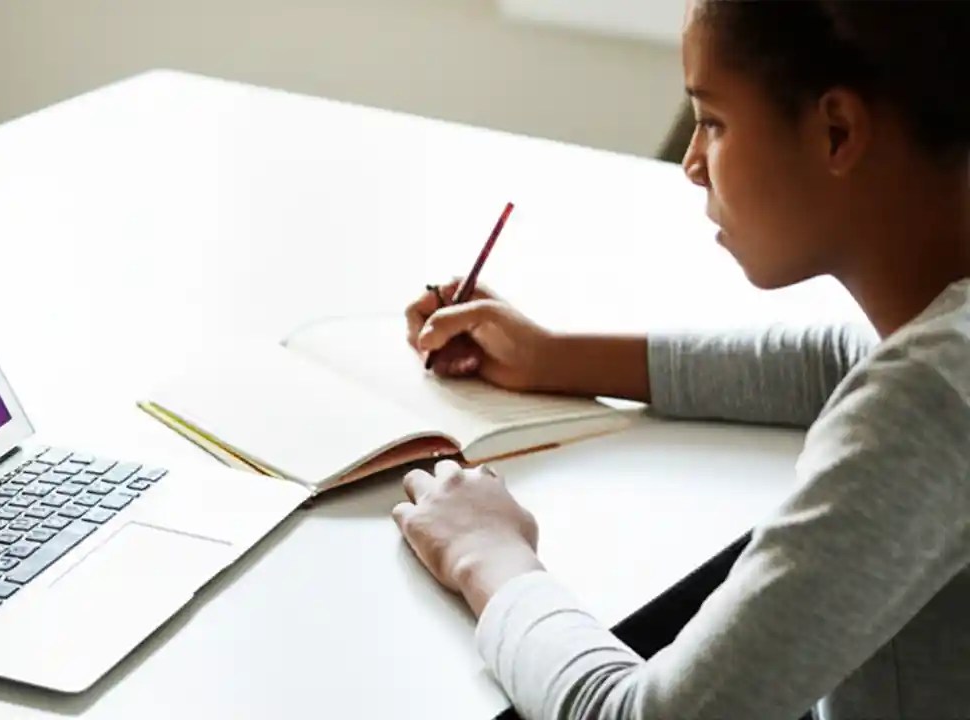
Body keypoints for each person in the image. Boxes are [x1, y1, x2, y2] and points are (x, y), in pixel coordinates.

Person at [395, 1, 970, 718]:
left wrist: (488, 555)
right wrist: (552, 358)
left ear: (836, 131)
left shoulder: (928, 402)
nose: (692, 164)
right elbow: (841, 360)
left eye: (715, 121)